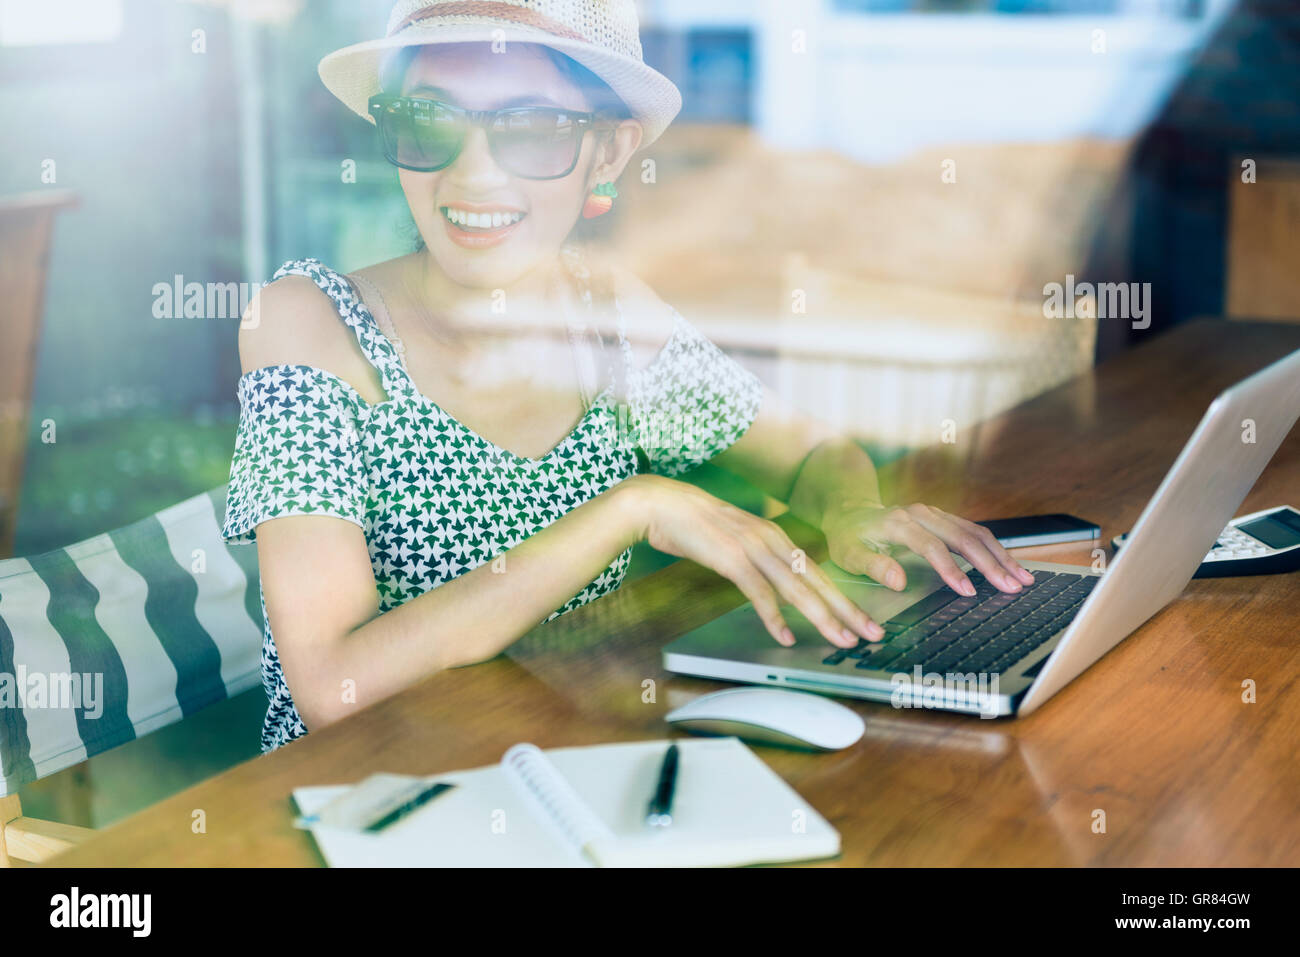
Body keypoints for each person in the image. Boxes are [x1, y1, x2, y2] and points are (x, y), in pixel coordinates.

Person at [221, 0, 1034, 752]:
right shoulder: (306, 321)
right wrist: (630, 509)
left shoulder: (605, 313)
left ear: (607, 151)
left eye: (532, 127)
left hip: (558, 765)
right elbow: (333, 685)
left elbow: (811, 455)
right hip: (353, 806)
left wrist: (854, 512)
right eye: (430, 119)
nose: (471, 176)